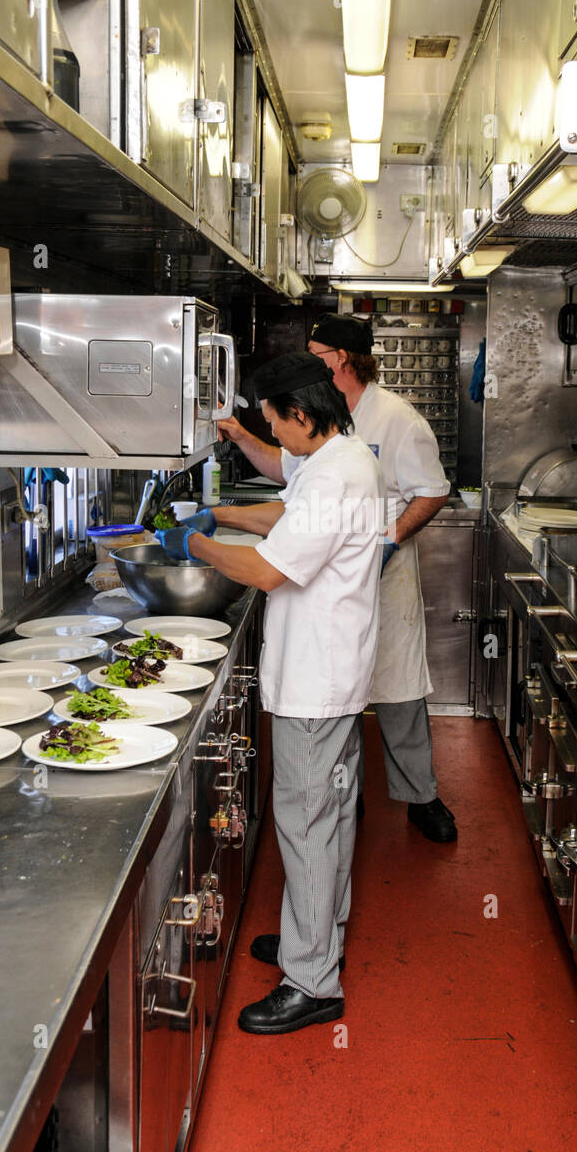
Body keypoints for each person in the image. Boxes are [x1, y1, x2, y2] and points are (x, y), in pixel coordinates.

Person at [158, 351, 384, 1033]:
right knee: (332, 816)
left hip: (317, 683)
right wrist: (216, 513)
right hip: (332, 675)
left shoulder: (337, 474)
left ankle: (312, 982)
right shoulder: (336, 458)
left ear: (303, 414)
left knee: (308, 825)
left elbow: (266, 571)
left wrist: (193, 546)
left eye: (274, 424)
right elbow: (283, 517)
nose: (273, 436)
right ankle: (316, 939)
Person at [217, 314, 457, 844]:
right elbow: (291, 473)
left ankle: (420, 796)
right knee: (343, 698)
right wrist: (239, 436)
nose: (311, 360)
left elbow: (433, 490)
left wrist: (389, 538)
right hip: (332, 574)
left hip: (382, 572)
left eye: (317, 352)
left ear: (341, 360)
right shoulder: (319, 421)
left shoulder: (397, 418)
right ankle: (347, 793)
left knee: (396, 690)